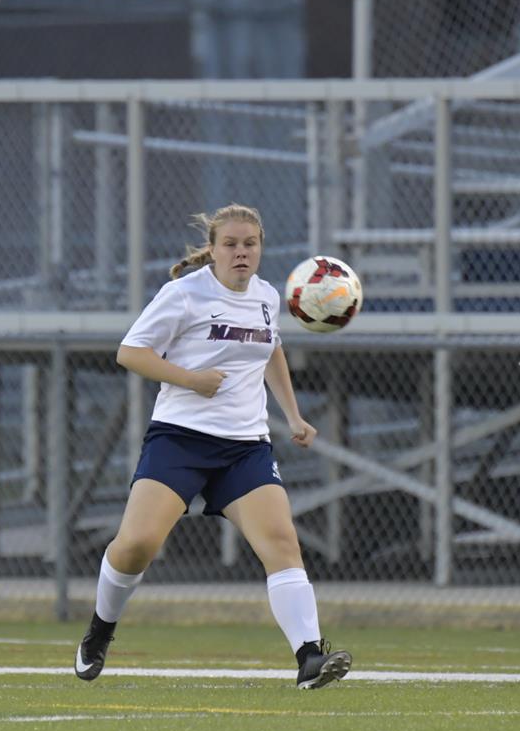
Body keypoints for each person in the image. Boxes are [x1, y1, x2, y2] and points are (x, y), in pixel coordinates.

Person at [73, 204, 352, 690]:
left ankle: (309, 657)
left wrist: (292, 415)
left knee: (282, 544)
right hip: (179, 440)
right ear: (215, 249)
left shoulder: (267, 296)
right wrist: (190, 379)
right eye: (231, 244)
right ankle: (100, 630)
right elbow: (130, 352)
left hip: (244, 448)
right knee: (137, 545)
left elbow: (272, 352)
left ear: (261, 247)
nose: (241, 252)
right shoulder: (184, 294)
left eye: (250, 244)